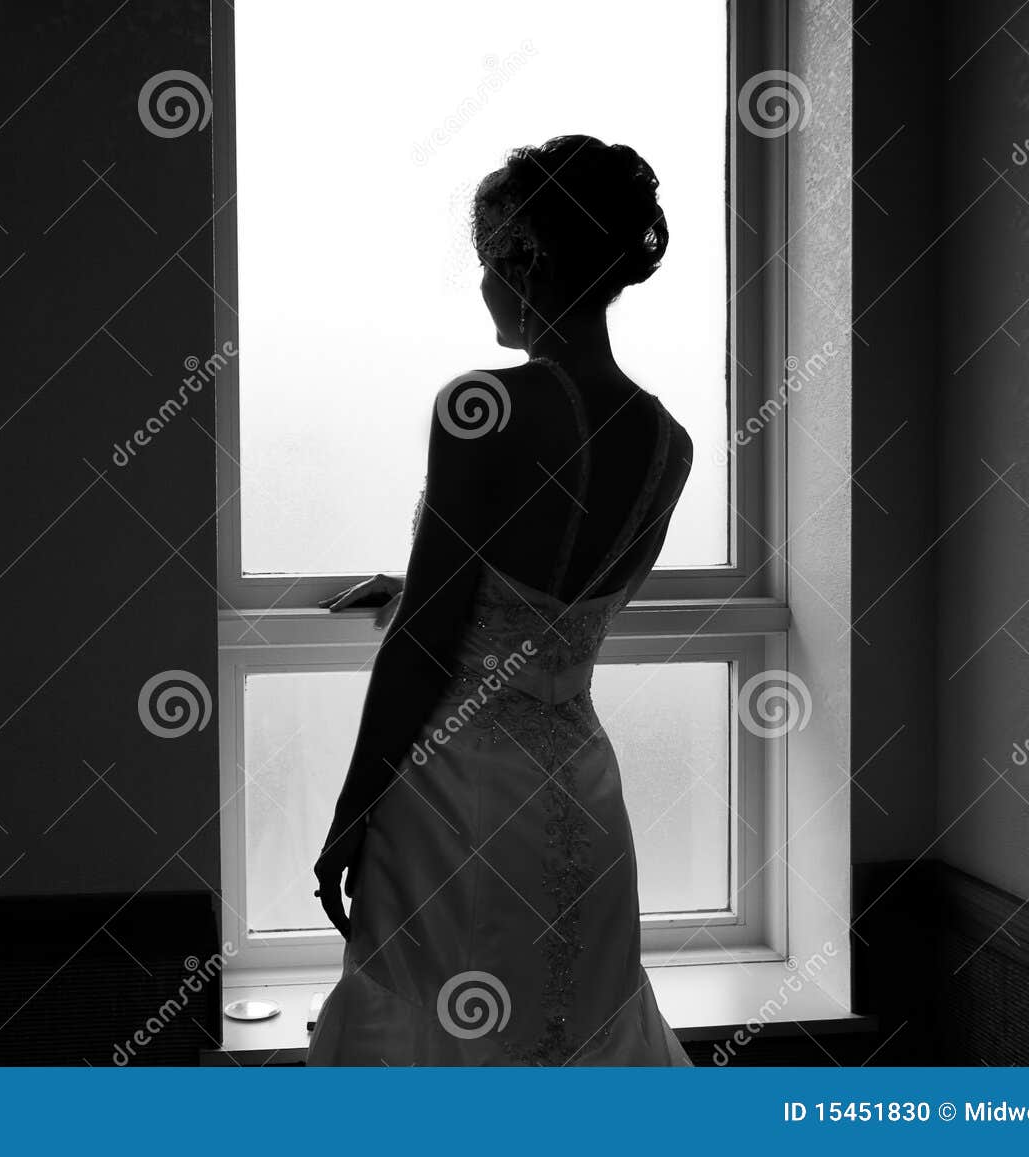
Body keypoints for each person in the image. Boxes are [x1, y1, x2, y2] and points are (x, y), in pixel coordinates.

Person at [307, 135, 694, 1065]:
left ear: (524, 266)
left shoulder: (482, 406)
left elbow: (426, 644)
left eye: (486, 263)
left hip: (457, 788)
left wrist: (349, 812)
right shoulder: (667, 441)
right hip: (584, 793)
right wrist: (424, 582)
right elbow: (560, 612)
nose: (482, 287)